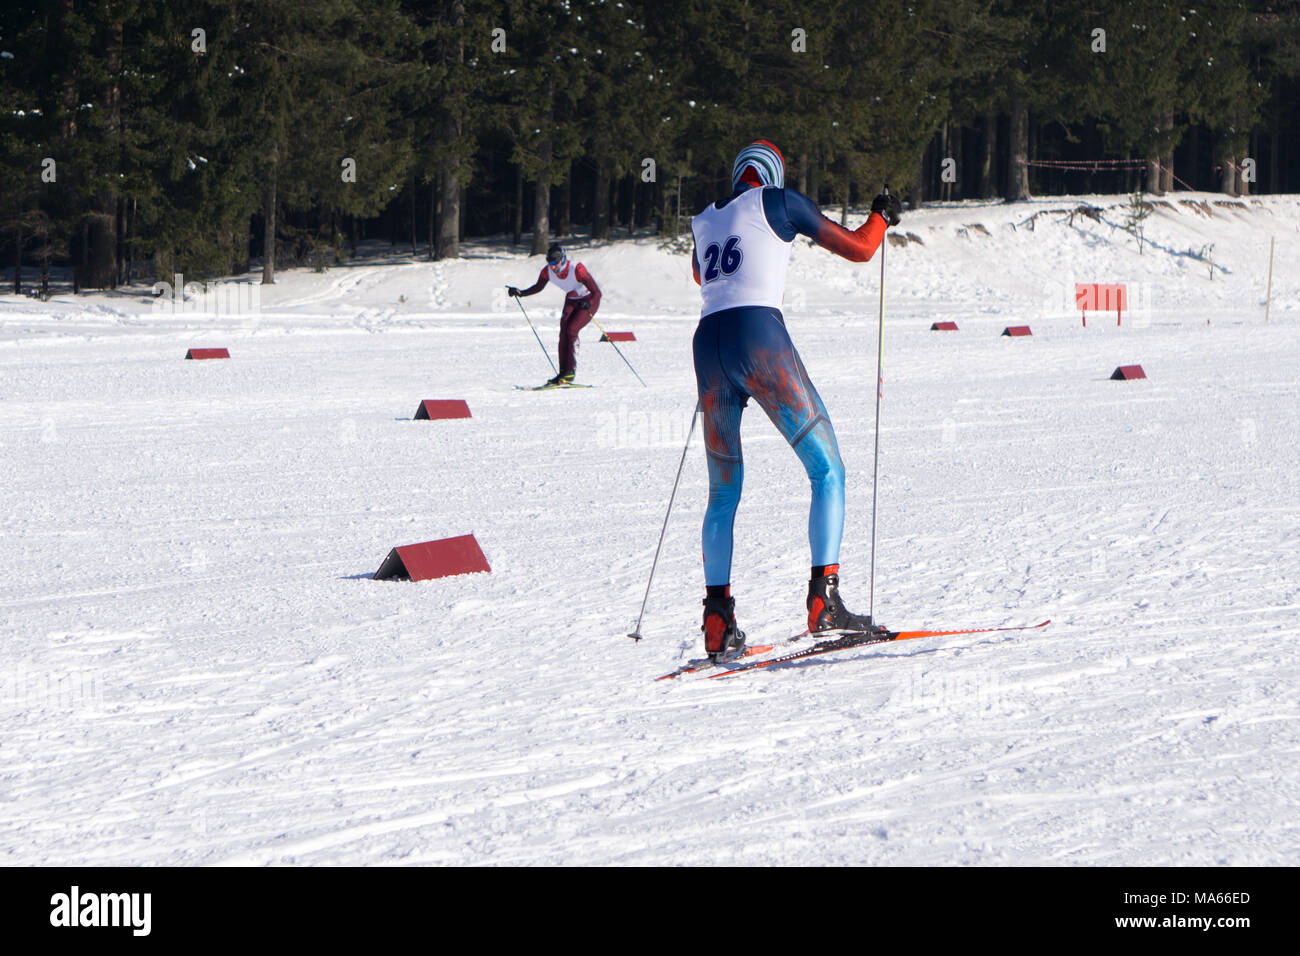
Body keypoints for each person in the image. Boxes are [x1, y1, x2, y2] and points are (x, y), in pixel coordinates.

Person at [690, 140, 902, 662]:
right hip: (758, 337)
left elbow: (702, 274)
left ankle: (717, 620)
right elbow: (859, 248)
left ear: (739, 174)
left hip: (707, 345)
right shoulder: (779, 202)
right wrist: (880, 216)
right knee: (826, 468)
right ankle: (823, 601)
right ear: (771, 175)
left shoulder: (703, 219)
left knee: (722, 492)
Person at [508, 243, 602, 387]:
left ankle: (570, 371)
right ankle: (563, 372)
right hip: (572, 298)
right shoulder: (547, 271)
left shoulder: (577, 269)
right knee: (563, 332)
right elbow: (538, 287)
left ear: (563, 260)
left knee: (572, 330)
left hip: (589, 300)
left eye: (555, 263)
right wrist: (521, 293)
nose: (553, 267)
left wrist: (589, 303)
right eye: (550, 263)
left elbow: (597, 292)